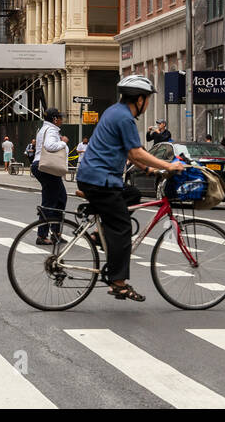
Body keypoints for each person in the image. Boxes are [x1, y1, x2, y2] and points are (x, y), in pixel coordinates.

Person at [75, 75, 185, 301]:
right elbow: (136, 152)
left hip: (94, 177)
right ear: (140, 99)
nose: (147, 105)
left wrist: (148, 170)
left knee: (133, 194)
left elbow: (128, 152)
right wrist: (168, 166)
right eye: (148, 100)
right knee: (123, 227)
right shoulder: (124, 118)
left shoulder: (114, 112)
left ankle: (99, 233)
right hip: (100, 180)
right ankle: (118, 283)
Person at [31, 109, 69, 245]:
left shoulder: (45, 129)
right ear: (54, 119)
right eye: (60, 118)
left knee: (59, 198)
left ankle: (55, 232)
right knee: (51, 201)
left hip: (41, 167)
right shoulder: (51, 130)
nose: (62, 120)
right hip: (46, 168)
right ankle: (43, 235)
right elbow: (50, 146)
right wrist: (63, 142)